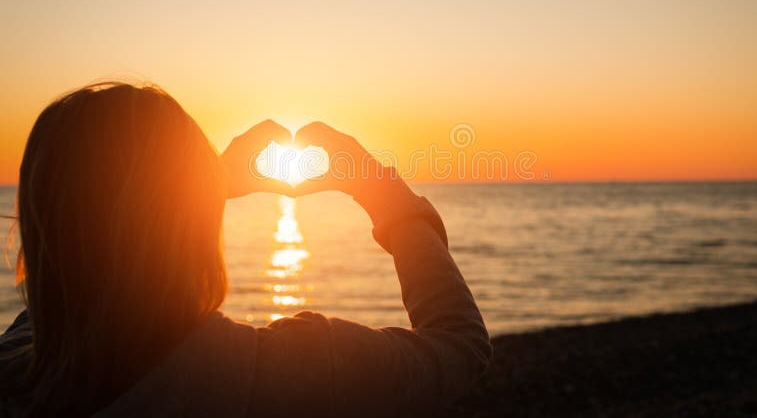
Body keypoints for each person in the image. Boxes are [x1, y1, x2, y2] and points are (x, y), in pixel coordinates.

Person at [0, 82, 491, 417]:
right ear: (194, 224)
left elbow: (65, 294)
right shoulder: (285, 371)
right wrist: (385, 194)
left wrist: (197, 186)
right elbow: (460, 347)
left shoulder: (15, 371)